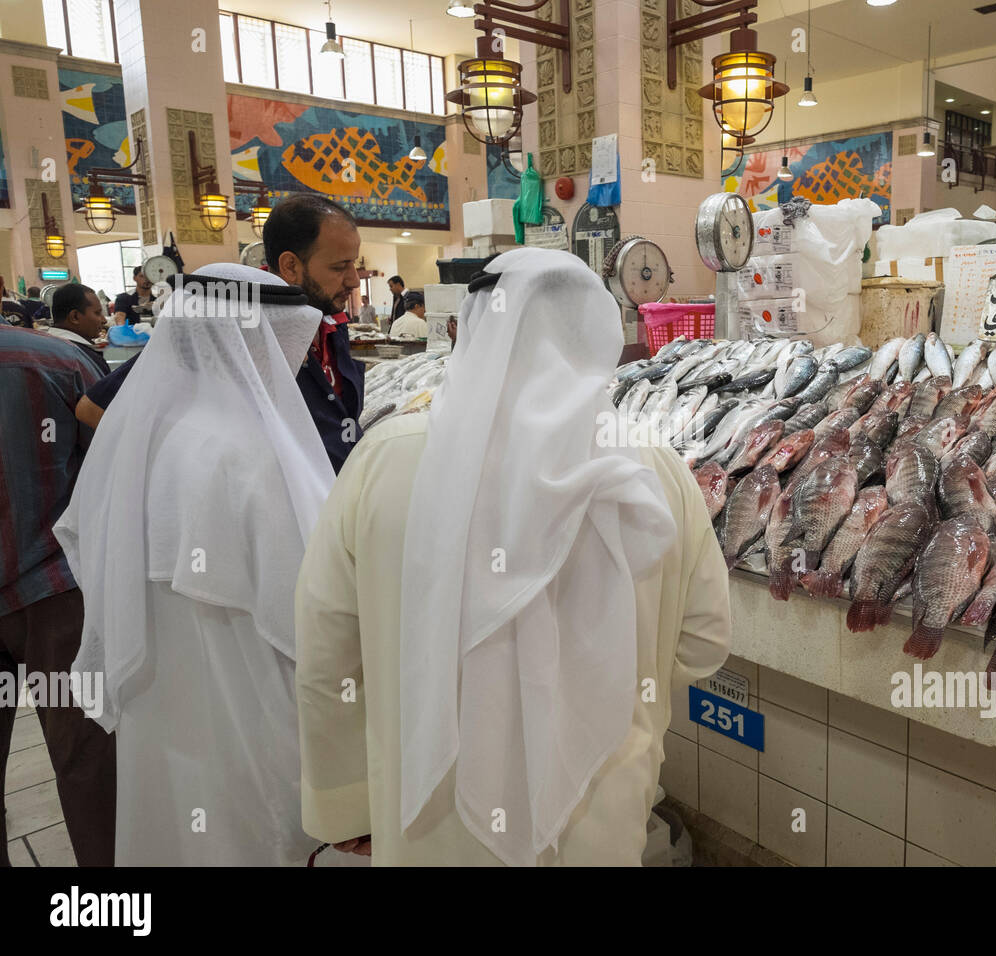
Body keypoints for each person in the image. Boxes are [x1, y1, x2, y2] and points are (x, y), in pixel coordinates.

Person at [295, 248, 732, 866]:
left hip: (430, 819)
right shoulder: (651, 468)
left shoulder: (385, 459)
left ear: (470, 327)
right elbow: (703, 641)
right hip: (599, 811)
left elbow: (327, 649)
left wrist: (344, 801)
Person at [54, 265, 333, 866]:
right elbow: (304, 620)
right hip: (250, 707)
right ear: (251, 337)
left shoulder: (142, 436)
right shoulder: (253, 453)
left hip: (163, 705)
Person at [74, 195, 366, 472]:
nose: (353, 279)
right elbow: (94, 409)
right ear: (290, 266)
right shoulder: (232, 322)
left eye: (353, 263)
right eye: (340, 267)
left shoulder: (331, 320)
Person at [0, 323, 115, 867]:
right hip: (59, 592)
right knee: (87, 759)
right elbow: (115, 466)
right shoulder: (59, 362)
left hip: (57, 586)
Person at [46, 283, 110, 376]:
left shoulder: (46, 347)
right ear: (75, 317)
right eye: (97, 313)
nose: (104, 321)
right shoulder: (82, 358)